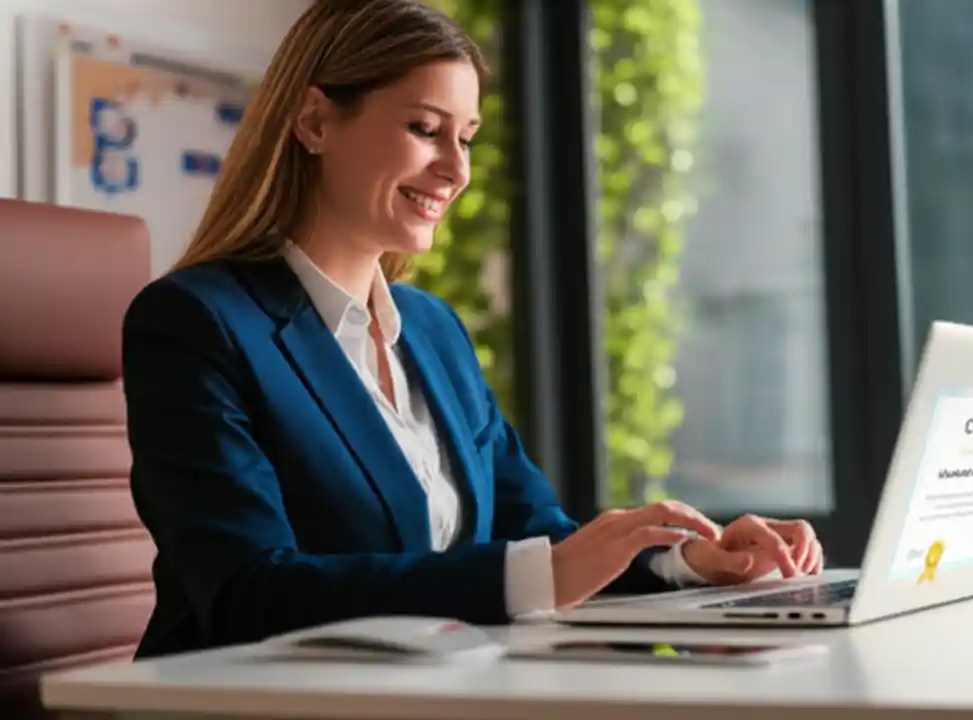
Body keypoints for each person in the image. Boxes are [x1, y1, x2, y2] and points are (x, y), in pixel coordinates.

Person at [124, 0, 824, 659]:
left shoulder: (431, 331)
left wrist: (690, 559)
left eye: (465, 138)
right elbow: (251, 594)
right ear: (314, 121)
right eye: (425, 130)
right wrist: (537, 574)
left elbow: (541, 539)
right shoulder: (197, 322)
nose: (456, 170)